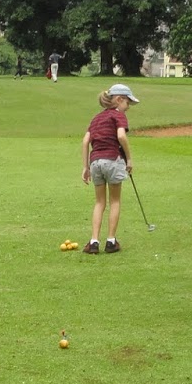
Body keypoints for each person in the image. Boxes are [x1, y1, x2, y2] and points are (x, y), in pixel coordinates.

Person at [80, 83, 139, 255]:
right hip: (113, 159)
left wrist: (85, 167)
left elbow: (85, 142)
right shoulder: (118, 116)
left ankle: (94, 242)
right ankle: (111, 241)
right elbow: (121, 136)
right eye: (128, 103)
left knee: (99, 202)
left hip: (95, 162)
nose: (128, 107)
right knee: (115, 201)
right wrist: (129, 159)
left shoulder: (96, 119)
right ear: (119, 100)